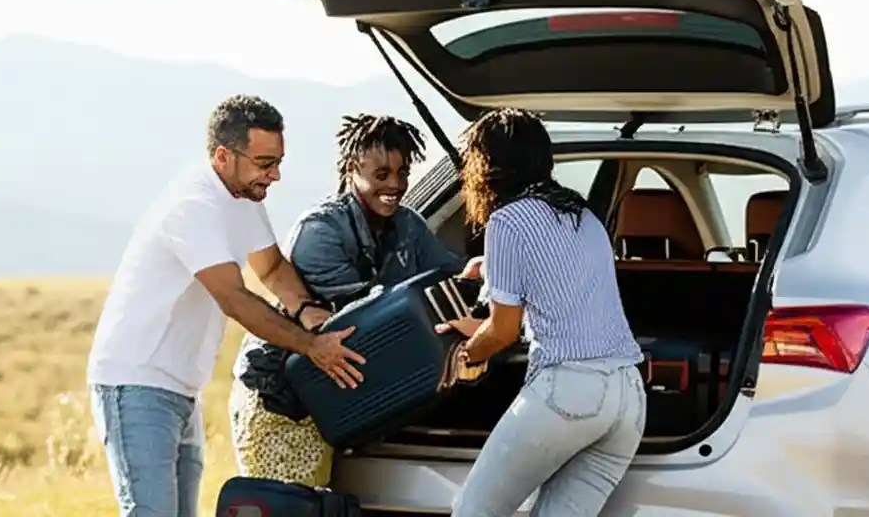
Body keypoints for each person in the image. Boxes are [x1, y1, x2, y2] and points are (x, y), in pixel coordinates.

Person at [86, 95, 366, 517]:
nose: (274, 175)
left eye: (278, 162)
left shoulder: (242, 200)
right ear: (223, 156)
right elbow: (234, 298)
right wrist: (311, 346)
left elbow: (271, 268)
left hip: (181, 390)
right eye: (264, 162)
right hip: (135, 385)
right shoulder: (194, 206)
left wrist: (308, 310)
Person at [229, 113, 468, 487]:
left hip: (337, 399)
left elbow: (448, 275)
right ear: (353, 167)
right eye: (382, 174)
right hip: (283, 403)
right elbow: (363, 319)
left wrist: (478, 274)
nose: (396, 185)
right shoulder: (320, 231)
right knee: (294, 508)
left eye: (403, 173)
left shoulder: (407, 225)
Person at [437, 107, 646, 516]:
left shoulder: (507, 222)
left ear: (487, 165)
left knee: (473, 512)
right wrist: (491, 270)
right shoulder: (584, 215)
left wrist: (465, 357)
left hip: (570, 390)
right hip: (628, 397)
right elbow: (559, 286)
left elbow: (502, 332)